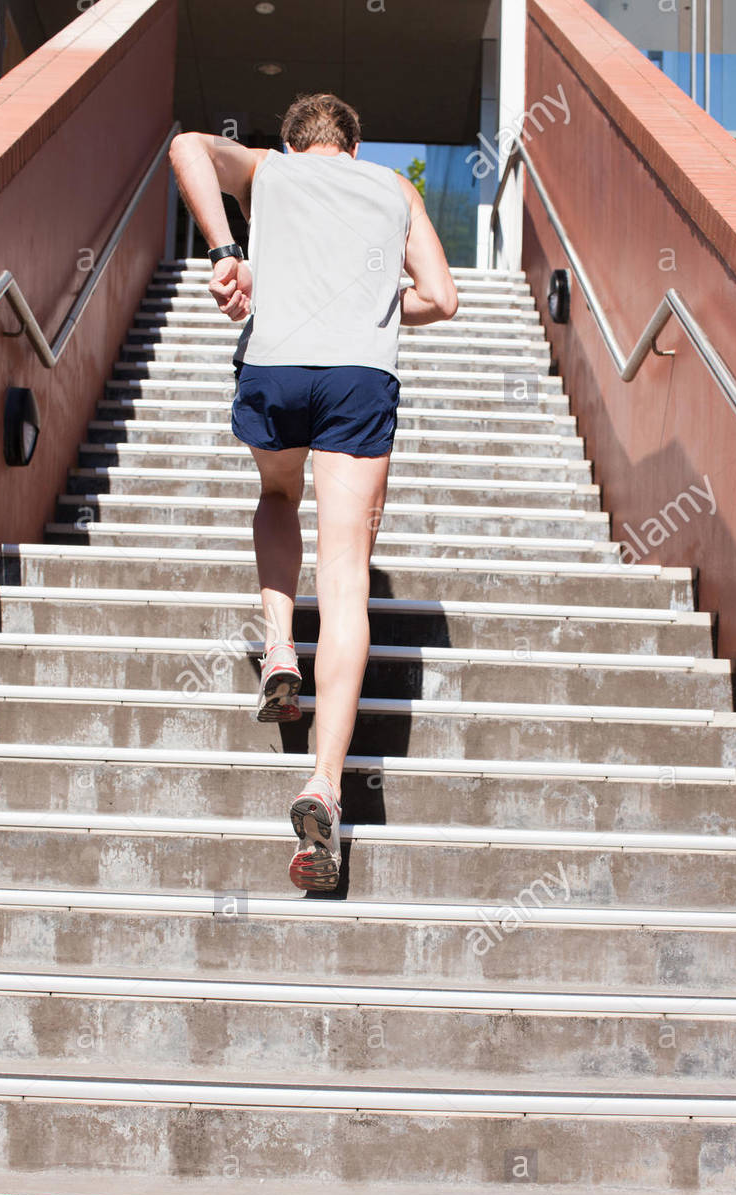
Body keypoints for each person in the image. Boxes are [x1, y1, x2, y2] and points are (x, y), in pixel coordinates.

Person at [169, 93, 458, 891]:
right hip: (358, 378)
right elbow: (442, 297)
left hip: (276, 365)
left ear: (293, 142)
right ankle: (323, 783)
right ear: (354, 147)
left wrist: (229, 251)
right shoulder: (393, 188)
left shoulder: (267, 171)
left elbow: (188, 146)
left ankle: (279, 647)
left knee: (275, 497)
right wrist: (370, 302)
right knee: (345, 580)